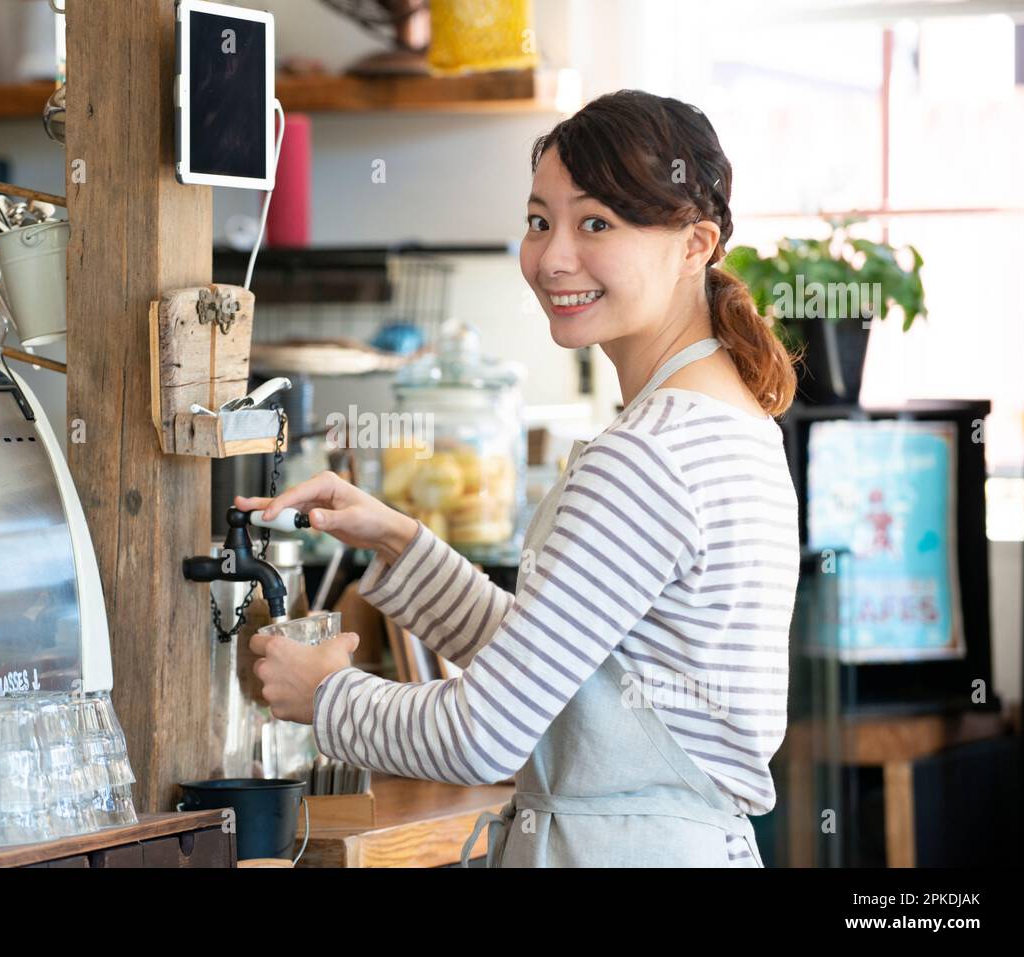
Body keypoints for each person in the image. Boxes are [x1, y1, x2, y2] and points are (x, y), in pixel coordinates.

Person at [238, 89, 800, 867]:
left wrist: (325, 698)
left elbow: (483, 731)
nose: (553, 256)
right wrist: (401, 541)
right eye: (541, 221)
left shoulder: (646, 455)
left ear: (695, 243)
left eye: (596, 223)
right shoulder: (735, 421)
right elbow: (566, 670)